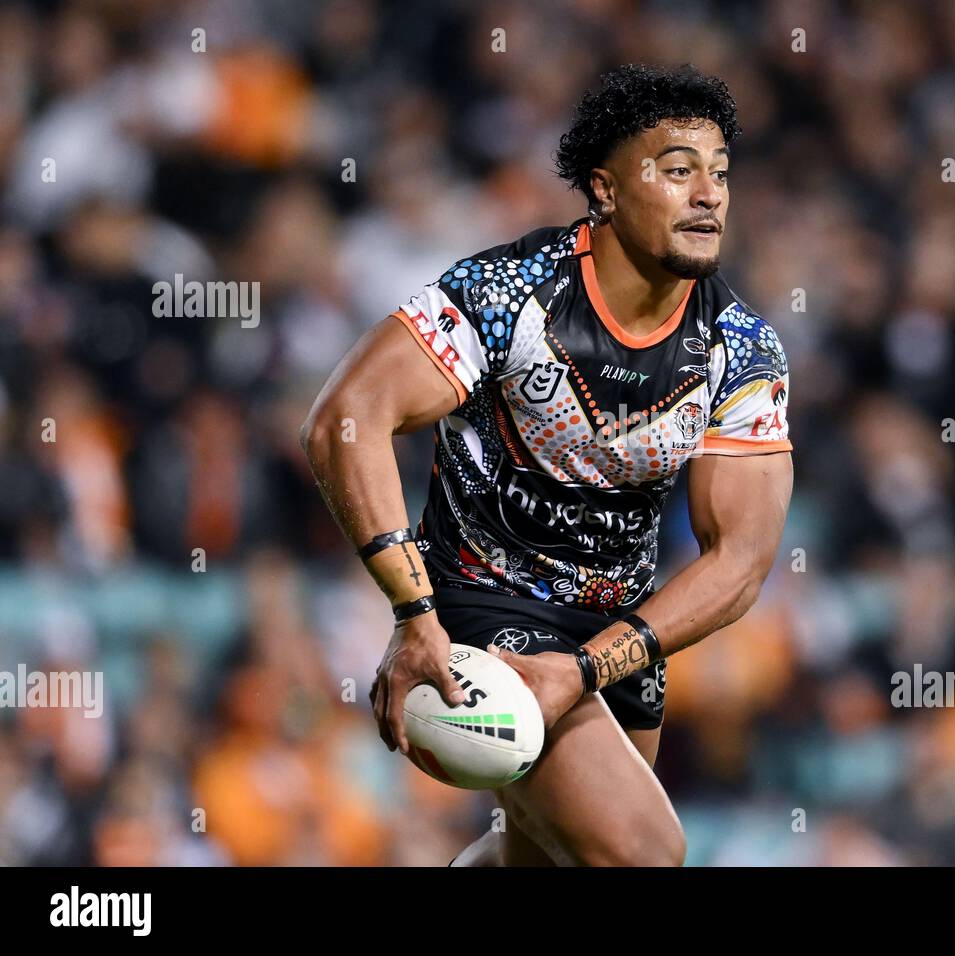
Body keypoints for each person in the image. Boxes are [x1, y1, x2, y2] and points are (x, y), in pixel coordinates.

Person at [300, 63, 793, 866]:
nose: (709, 194)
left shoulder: (742, 352)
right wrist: (412, 614)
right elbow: (344, 419)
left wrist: (590, 666)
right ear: (604, 190)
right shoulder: (507, 296)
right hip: (480, 609)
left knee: (541, 860)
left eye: (720, 172)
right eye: (677, 170)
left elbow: (741, 561)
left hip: (616, 634)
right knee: (642, 854)